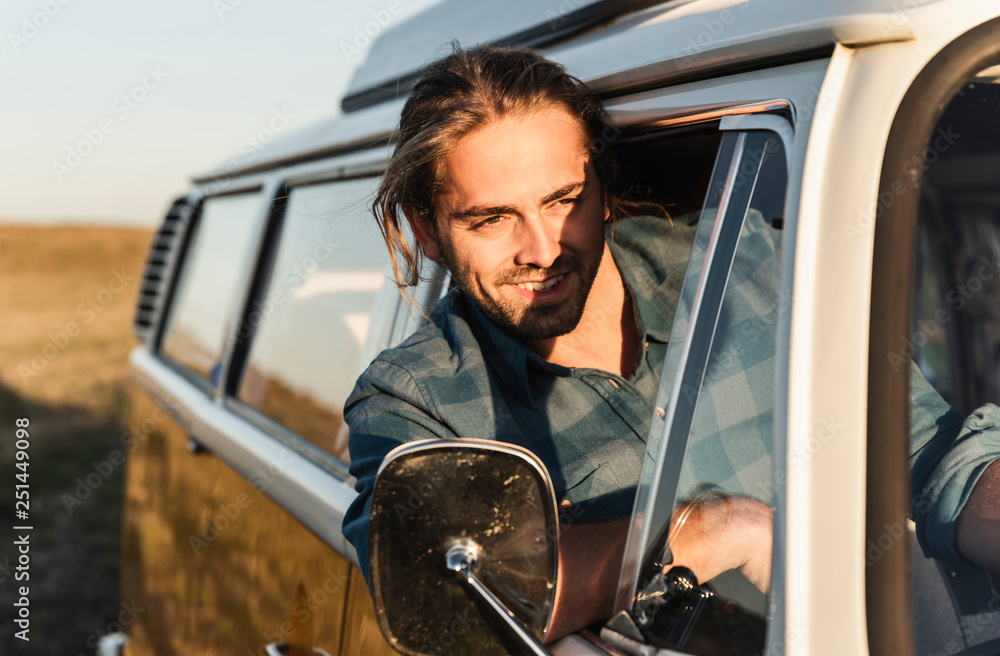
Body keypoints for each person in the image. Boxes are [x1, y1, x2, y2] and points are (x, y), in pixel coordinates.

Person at [342, 44, 1000, 641]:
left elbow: (925, 452)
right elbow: (439, 593)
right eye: (493, 219)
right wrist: (705, 532)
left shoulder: (749, 260)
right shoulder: (414, 400)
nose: (542, 250)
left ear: (602, 192)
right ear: (426, 232)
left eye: (563, 200)